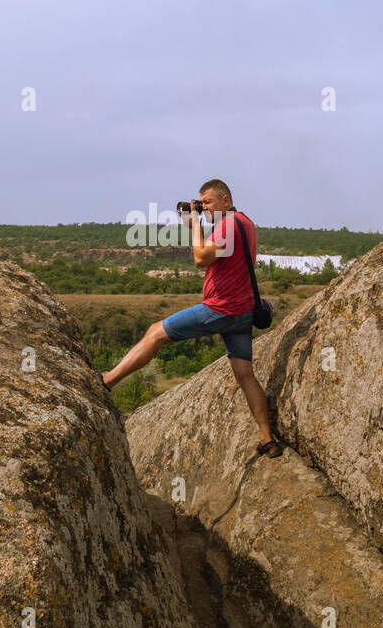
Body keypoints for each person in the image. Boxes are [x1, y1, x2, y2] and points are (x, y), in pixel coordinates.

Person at [101, 179, 283, 457]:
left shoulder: (228, 225)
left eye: (207, 202)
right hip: (244, 311)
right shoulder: (244, 222)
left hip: (220, 309)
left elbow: (200, 258)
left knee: (155, 333)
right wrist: (196, 222)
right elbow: (219, 253)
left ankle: (108, 381)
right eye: (201, 203)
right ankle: (267, 438)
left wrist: (196, 226)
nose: (204, 207)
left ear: (225, 200)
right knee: (245, 375)